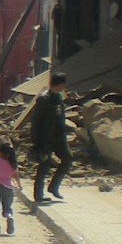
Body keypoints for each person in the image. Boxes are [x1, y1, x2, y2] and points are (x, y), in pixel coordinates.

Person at [30, 73, 72, 203]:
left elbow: (60, 116)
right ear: (60, 84)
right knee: (44, 165)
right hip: (45, 138)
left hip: (58, 138)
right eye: (64, 84)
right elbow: (36, 121)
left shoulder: (58, 98)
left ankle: (54, 187)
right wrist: (37, 140)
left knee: (68, 159)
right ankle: (38, 195)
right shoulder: (43, 99)